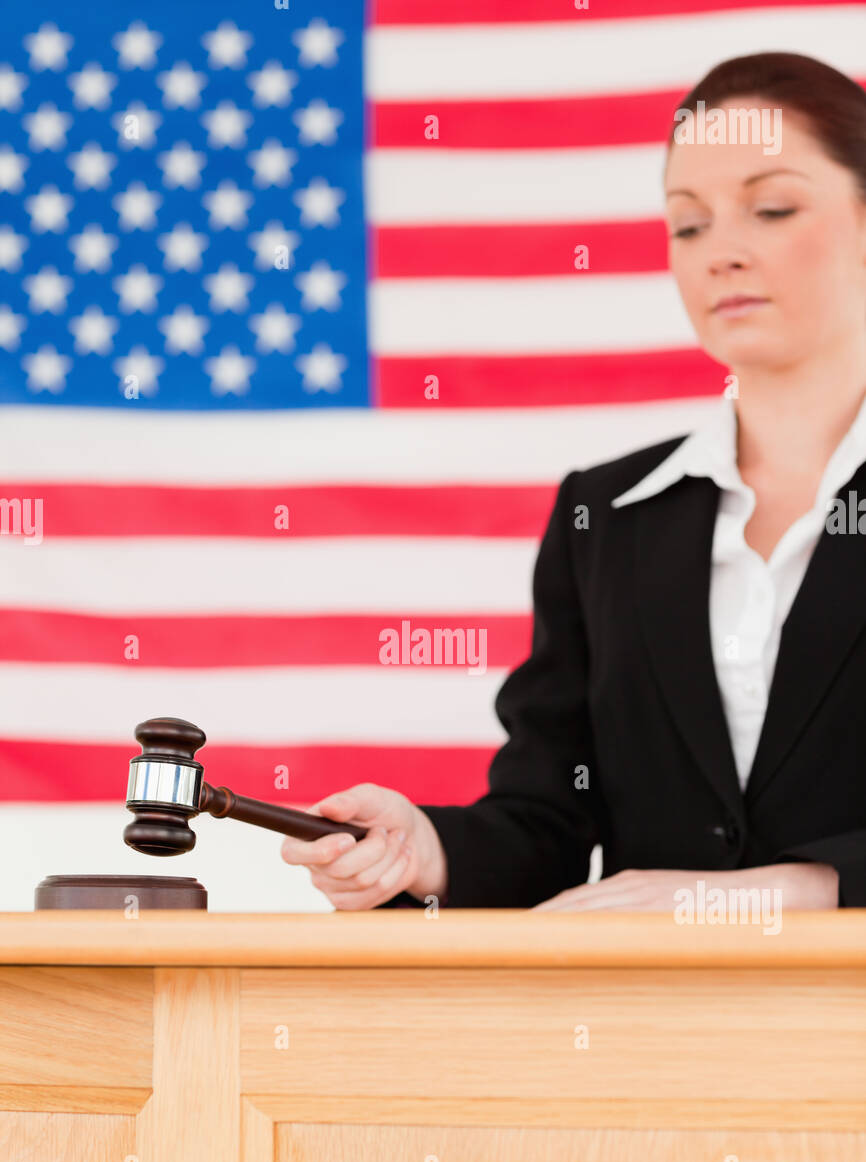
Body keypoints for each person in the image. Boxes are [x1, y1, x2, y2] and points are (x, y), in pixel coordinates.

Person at [280, 51, 866, 912]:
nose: (722, 253)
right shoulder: (607, 513)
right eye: (688, 223)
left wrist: (791, 892)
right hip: (649, 1028)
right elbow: (547, 819)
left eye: (771, 207)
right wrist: (425, 849)